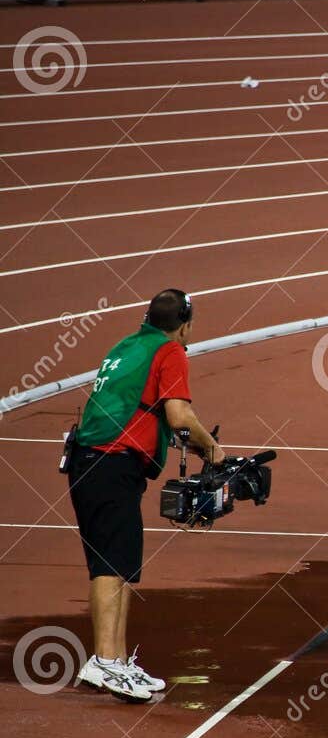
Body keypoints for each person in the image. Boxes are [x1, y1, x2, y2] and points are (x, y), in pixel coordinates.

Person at [68, 290, 222, 702]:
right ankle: (104, 661)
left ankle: (115, 661)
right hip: (112, 464)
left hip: (88, 461)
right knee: (111, 565)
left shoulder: (127, 345)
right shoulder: (170, 351)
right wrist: (211, 449)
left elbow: (139, 410)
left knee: (115, 565)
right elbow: (179, 416)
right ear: (185, 325)